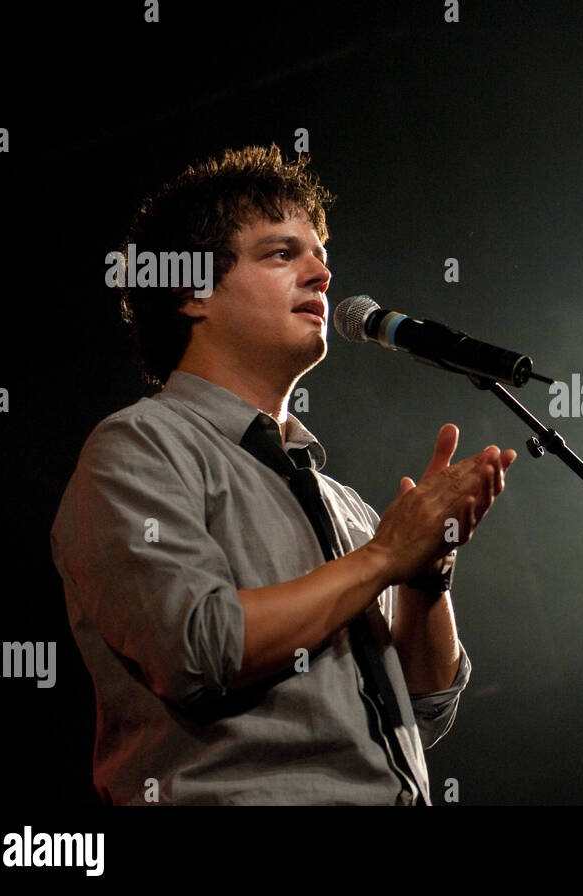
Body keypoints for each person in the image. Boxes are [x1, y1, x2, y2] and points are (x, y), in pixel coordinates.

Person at [51, 145, 515, 805]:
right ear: (191, 292)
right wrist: (385, 555)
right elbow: (199, 650)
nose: (322, 274)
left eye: (319, 253)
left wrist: (424, 575)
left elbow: (425, 710)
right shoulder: (136, 447)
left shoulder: (341, 502)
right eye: (281, 253)